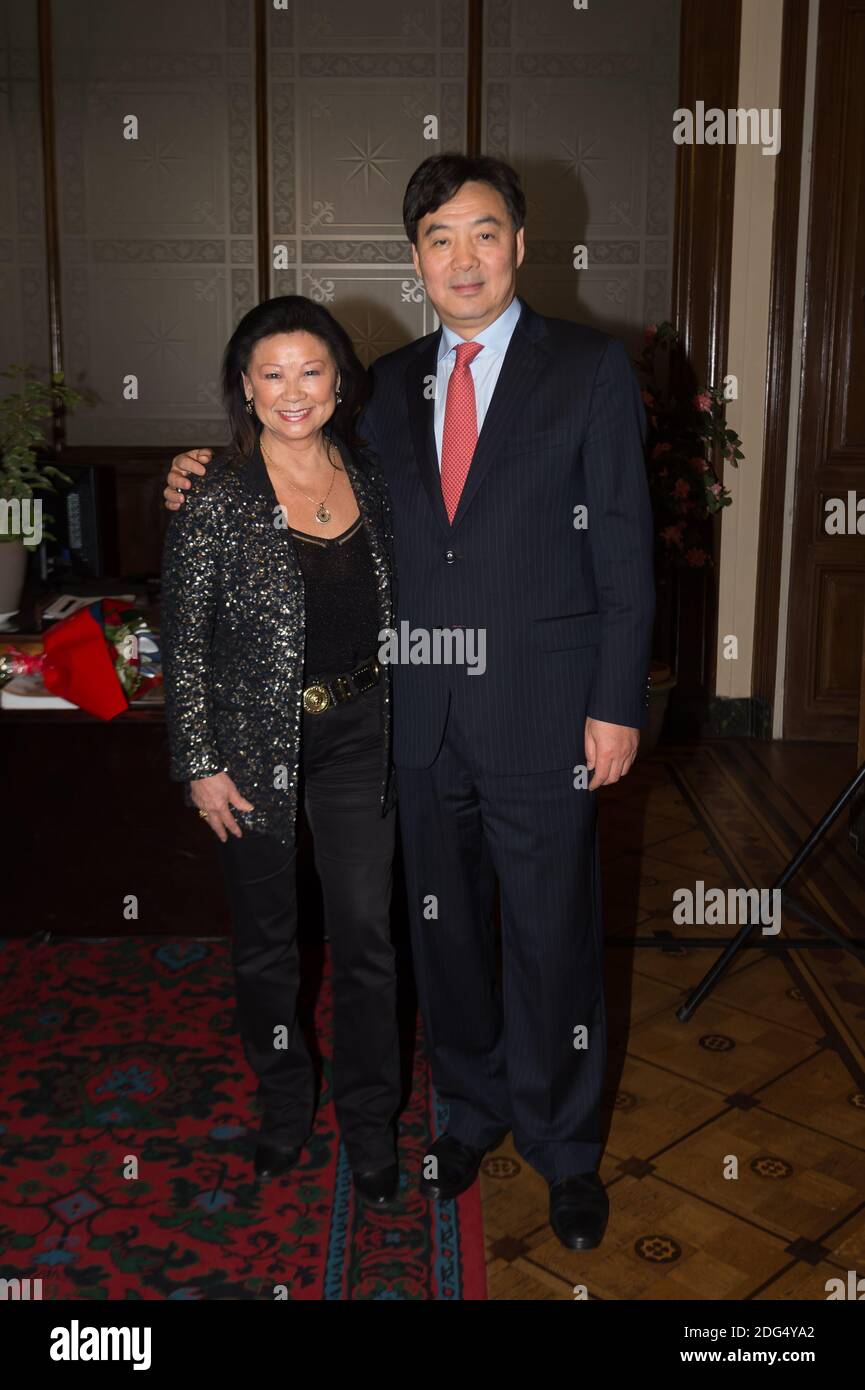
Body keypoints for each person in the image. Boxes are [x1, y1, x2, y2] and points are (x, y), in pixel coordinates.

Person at [163, 154, 655, 1251]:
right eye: (439, 238)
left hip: (547, 713)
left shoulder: (588, 368)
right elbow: (295, 450)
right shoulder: (382, 381)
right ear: (417, 258)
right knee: (442, 942)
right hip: (413, 721)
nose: (463, 257)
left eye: (484, 233)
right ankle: (471, 1113)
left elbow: (623, 548)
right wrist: (199, 470)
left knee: (552, 938)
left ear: (520, 245)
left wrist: (616, 702)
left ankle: (566, 1146)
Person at [161, 295, 401, 1207]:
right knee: (266, 945)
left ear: (340, 382)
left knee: (367, 935)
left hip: (361, 731)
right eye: (272, 373)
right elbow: (181, 639)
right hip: (251, 739)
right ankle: (283, 1106)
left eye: (310, 370)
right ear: (246, 388)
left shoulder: (373, 475)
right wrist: (199, 761)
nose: (292, 391)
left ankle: (371, 1122)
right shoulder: (214, 493)